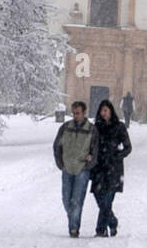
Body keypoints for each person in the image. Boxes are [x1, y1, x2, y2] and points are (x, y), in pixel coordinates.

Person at [52, 100, 99, 237]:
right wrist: (60, 163)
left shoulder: (91, 130)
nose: (75, 116)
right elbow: (57, 146)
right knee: (66, 199)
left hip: (82, 170)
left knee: (77, 201)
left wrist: (88, 164)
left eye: (78, 113)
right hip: (67, 168)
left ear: (84, 113)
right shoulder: (65, 127)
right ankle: (73, 220)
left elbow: (95, 149)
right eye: (73, 113)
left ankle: (73, 228)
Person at [89, 99, 132, 236]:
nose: (103, 113)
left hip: (113, 168)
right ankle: (112, 222)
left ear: (111, 111)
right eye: (102, 111)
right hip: (99, 167)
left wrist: (116, 155)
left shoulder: (119, 127)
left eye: (106, 110)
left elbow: (128, 147)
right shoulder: (95, 127)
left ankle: (100, 230)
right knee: (99, 197)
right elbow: (90, 146)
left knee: (107, 199)